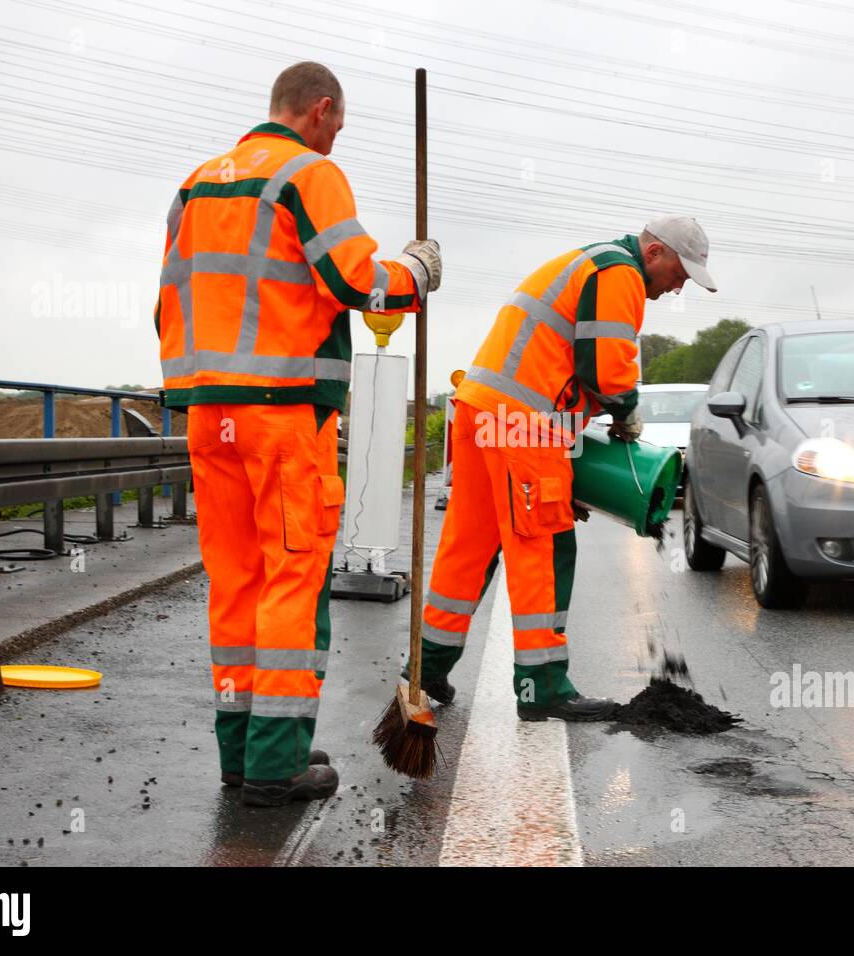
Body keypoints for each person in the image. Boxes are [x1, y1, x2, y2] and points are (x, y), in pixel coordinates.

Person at [155, 62, 441, 806]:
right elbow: (357, 281)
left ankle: (242, 751)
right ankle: (277, 763)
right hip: (281, 414)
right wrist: (416, 271)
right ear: (319, 112)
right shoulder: (306, 175)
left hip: (206, 414)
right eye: (337, 129)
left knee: (236, 581)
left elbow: (168, 309)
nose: (335, 143)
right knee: (291, 577)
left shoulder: (196, 184)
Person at [411, 216, 714, 720]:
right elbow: (605, 366)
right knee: (546, 545)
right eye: (681, 273)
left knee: (470, 546)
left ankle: (425, 668)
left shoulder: (585, 261)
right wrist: (625, 411)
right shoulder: (619, 274)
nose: (680, 286)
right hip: (524, 427)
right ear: (655, 252)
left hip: (480, 414)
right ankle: (542, 687)